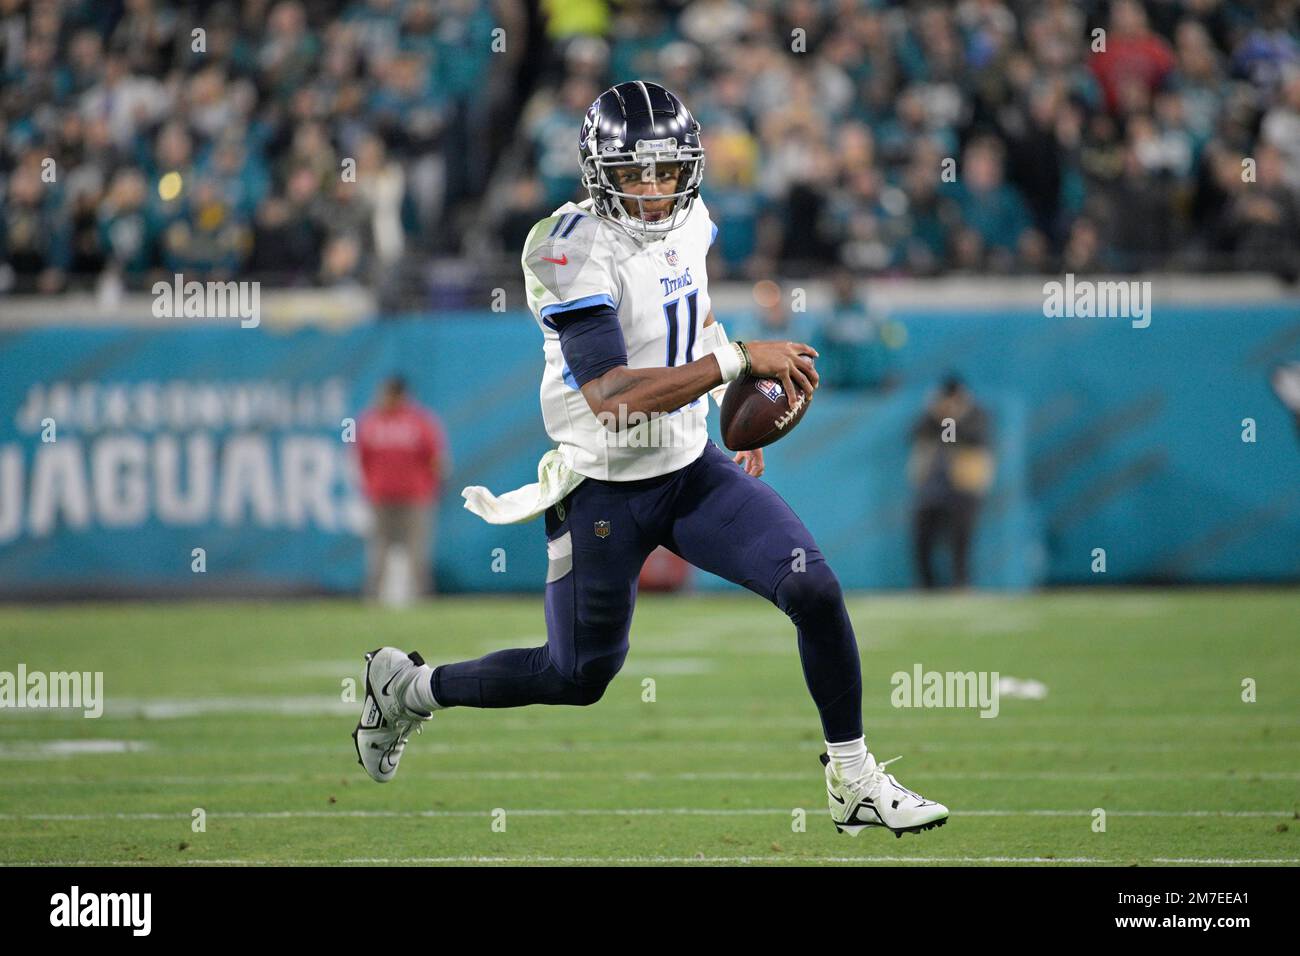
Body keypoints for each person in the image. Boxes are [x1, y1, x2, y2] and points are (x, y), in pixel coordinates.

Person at [352, 82, 948, 837]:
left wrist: (736, 413)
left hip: (692, 469)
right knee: (578, 676)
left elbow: (692, 317)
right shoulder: (567, 246)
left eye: (668, 171)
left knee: (815, 589)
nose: (655, 188)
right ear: (601, 172)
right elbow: (611, 394)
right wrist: (734, 362)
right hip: (602, 489)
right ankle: (408, 690)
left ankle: (854, 779)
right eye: (635, 173)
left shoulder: (694, 220)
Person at [356, 376, 450, 602]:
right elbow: (360, 460)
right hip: (381, 498)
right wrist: (369, 489)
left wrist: (434, 488)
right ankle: (372, 598)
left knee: (418, 552)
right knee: (378, 552)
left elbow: (437, 459)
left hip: (415, 498)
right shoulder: (370, 421)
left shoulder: (420, 422)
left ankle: (423, 598)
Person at [909, 375, 994, 589]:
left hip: (965, 485)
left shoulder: (976, 414)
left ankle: (961, 583)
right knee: (923, 537)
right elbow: (914, 434)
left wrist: (952, 418)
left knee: (961, 538)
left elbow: (969, 438)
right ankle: (926, 585)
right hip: (934, 487)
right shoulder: (933, 415)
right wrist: (935, 413)